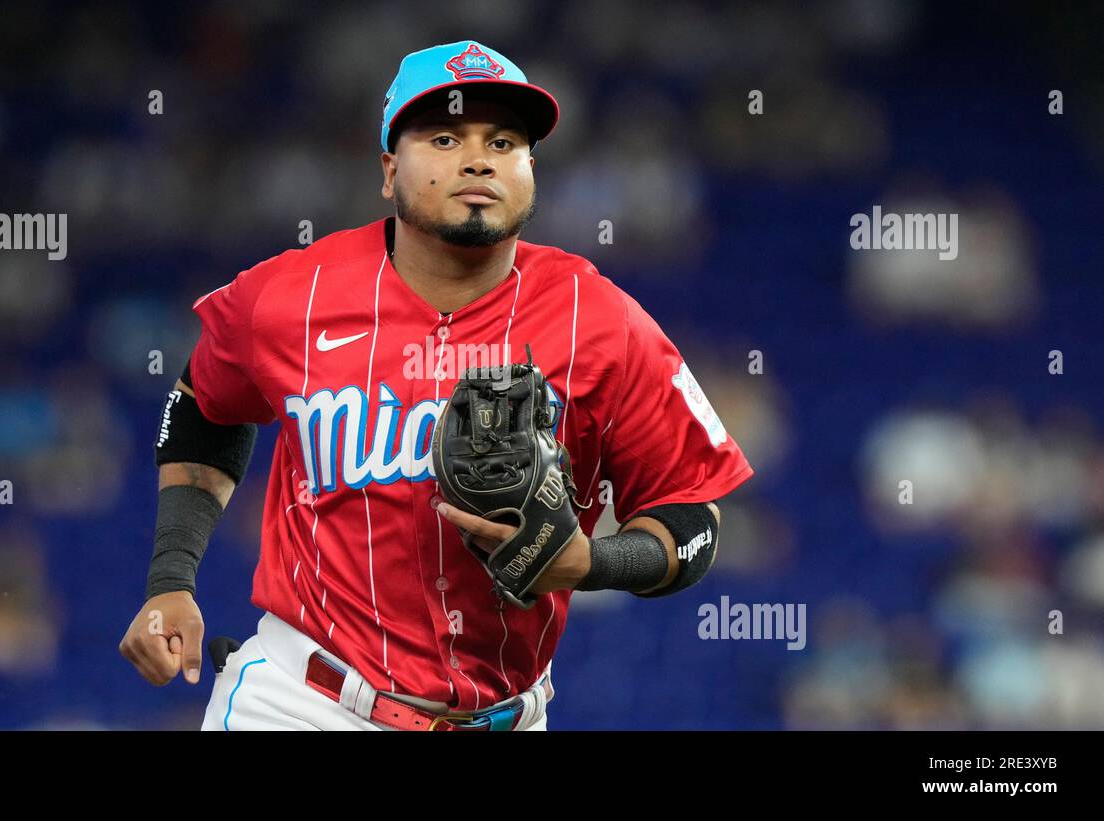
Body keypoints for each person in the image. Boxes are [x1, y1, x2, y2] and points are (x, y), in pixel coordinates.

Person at [119, 40, 753, 731]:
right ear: (389, 170)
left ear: (530, 169)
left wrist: (593, 560)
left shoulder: (601, 320)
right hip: (306, 703)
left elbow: (693, 518)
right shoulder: (287, 297)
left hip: (507, 714)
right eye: (445, 137)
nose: (478, 158)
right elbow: (203, 407)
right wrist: (172, 578)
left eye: (504, 141)